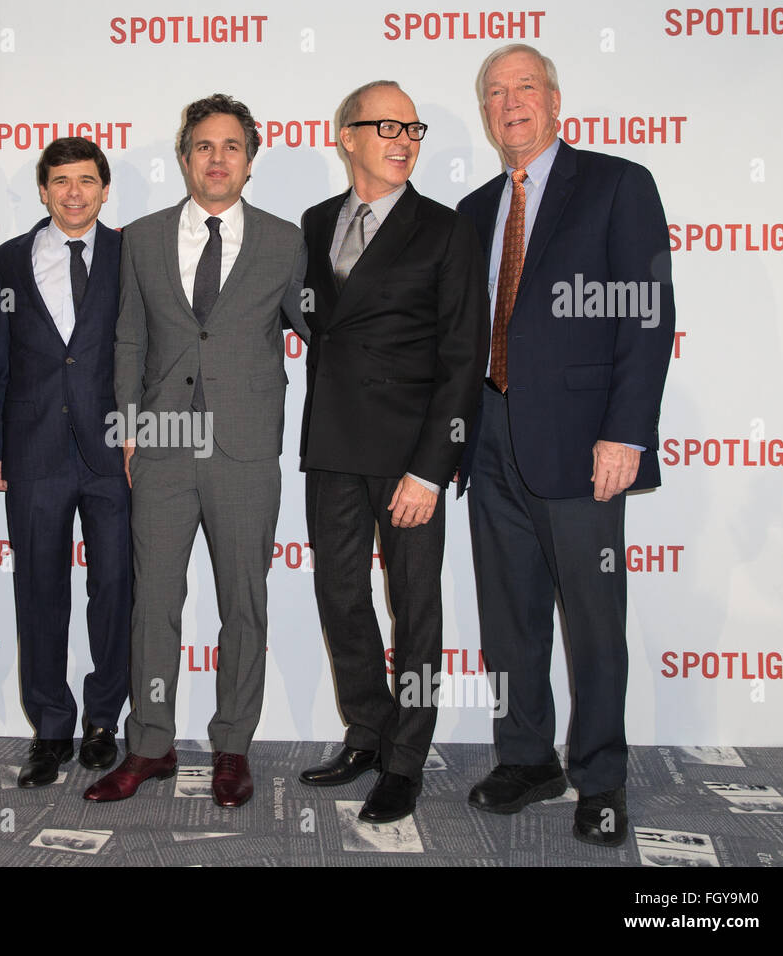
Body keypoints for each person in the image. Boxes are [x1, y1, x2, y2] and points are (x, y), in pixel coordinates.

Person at [455, 44, 674, 846]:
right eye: (495, 93)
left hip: (586, 444)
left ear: (555, 101)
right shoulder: (476, 208)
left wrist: (627, 432)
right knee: (509, 618)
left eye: (524, 88)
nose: (509, 103)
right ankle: (525, 759)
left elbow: (647, 315)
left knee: (592, 620)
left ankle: (601, 776)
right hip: (489, 437)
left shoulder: (617, 184)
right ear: (486, 114)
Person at [84, 93, 309, 807]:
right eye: (204, 146)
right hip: (162, 445)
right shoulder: (141, 238)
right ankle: (149, 743)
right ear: (183, 157)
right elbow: (129, 338)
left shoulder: (284, 241)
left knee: (244, 602)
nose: (217, 158)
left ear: (250, 159)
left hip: (244, 447)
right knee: (153, 602)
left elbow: (322, 329)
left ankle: (233, 746)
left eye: (231, 146)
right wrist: (128, 428)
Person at [296, 82, 488, 823]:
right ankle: (369, 733)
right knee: (340, 597)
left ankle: (405, 761)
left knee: (415, 612)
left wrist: (431, 470)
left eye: (413, 126)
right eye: (386, 125)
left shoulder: (445, 230)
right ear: (347, 137)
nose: (404, 137)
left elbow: (464, 357)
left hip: (411, 456)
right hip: (333, 449)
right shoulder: (314, 224)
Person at [0, 138, 130, 787]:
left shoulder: (134, 258)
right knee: (40, 590)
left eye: (86, 180)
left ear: (104, 189)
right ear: (43, 191)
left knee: (115, 590)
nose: (74, 193)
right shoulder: (6, 264)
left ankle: (104, 718)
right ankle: (50, 726)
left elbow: (153, 356)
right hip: (34, 451)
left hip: (116, 456)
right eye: (61, 181)